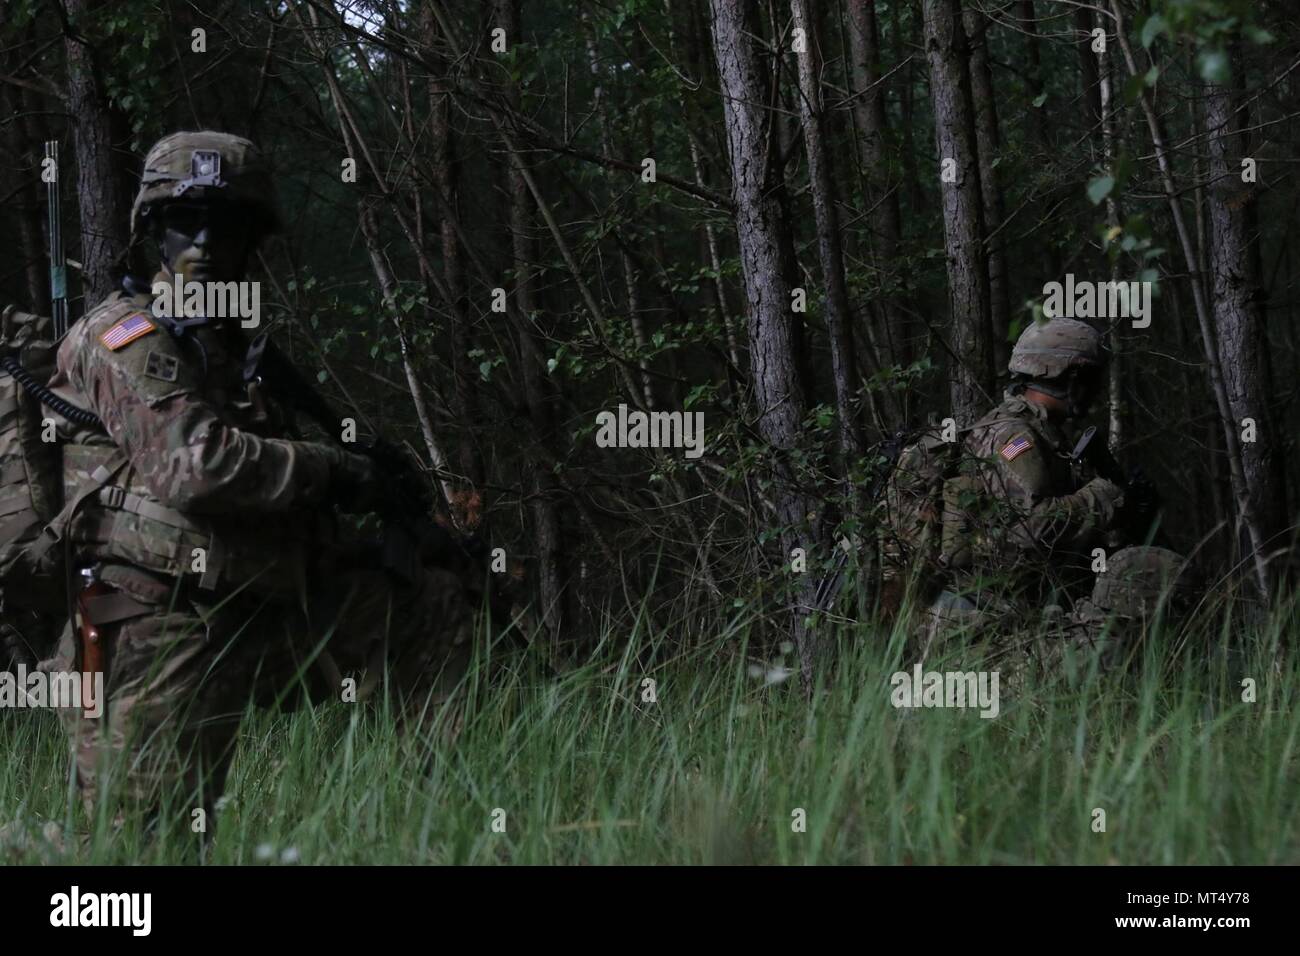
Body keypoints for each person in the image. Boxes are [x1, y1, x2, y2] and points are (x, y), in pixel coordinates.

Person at [37, 131, 478, 828]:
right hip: (157, 624)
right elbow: (197, 469)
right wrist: (338, 470)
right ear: (152, 231)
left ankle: (440, 819)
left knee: (430, 603)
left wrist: (393, 539)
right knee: (141, 857)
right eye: (186, 221)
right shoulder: (121, 335)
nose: (205, 242)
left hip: (261, 613)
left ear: (253, 241)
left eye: (228, 224)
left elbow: (269, 509)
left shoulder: (233, 351)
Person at [879, 316, 1190, 665]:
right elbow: (1031, 530)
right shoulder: (1017, 438)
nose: (1097, 390)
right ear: (1072, 376)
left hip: (997, 625)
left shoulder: (1035, 433)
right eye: (1092, 379)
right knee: (1113, 650)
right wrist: (1104, 496)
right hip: (982, 639)